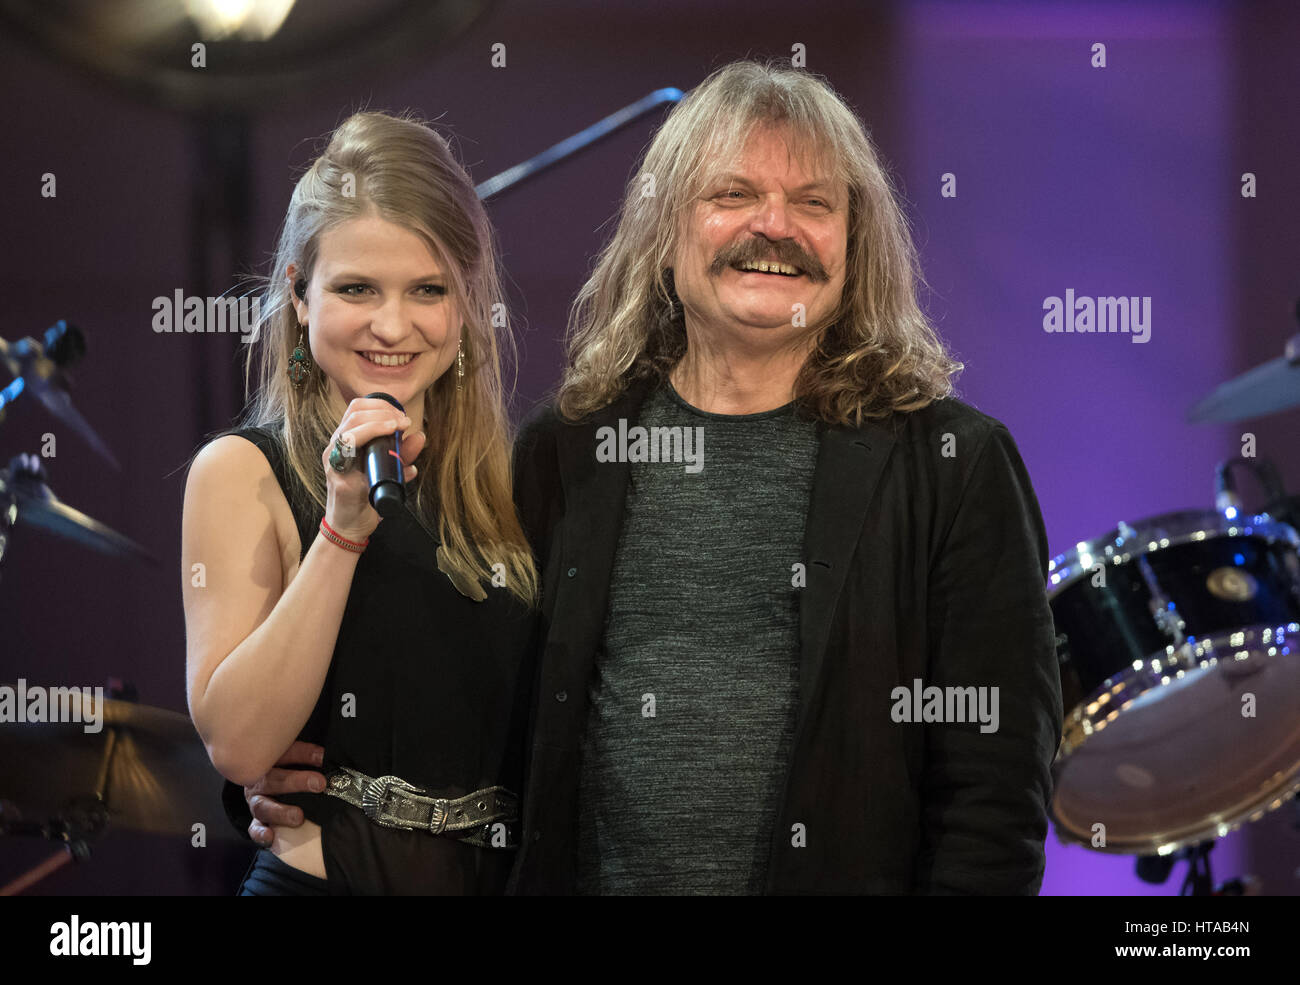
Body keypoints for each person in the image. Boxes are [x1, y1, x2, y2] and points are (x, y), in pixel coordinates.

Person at [240, 60, 1063, 895]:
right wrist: (329, 787)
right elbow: (479, 699)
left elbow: (992, 805)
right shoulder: (566, 452)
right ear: (666, 230)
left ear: (856, 240)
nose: (775, 226)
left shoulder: (954, 467)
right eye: (733, 195)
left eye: (814, 202)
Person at [182, 110, 538, 895]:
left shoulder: (509, 485)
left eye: (427, 290)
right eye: (355, 288)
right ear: (299, 297)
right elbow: (238, 745)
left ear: (465, 304)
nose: (392, 324)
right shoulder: (242, 470)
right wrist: (342, 529)